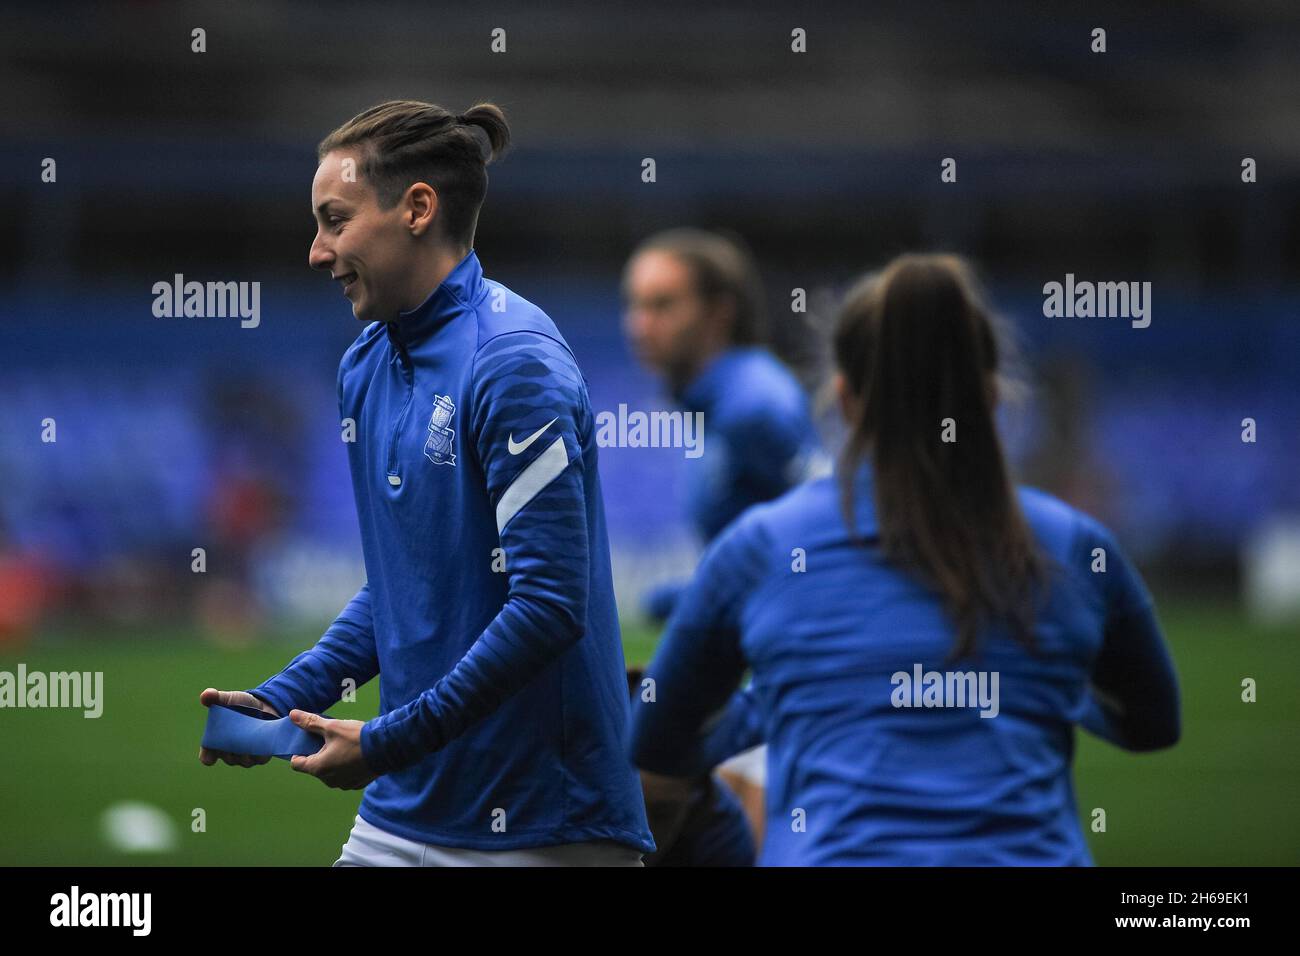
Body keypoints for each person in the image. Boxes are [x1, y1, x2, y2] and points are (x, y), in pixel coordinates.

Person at [199, 99, 654, 866]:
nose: (317, 251)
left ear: (416, 209)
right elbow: (407, 583)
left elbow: (548, 606)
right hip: (404, 812)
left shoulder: (514, 362)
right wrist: (288, 696)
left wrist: (383, 741)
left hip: (544, 825)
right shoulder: (365, 366)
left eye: (334, 220)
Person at [627, 253, 1181, 865]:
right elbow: (1153, 724)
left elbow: (656, 742)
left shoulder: (762, 545)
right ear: (994, 393)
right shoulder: (1077, 545)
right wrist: (1048, 686)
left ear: (842, 397)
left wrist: (771, 704)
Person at [621, 229, 821, 849]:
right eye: (634, 304)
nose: (639, 323)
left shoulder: (754, 407)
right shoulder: (714, 400)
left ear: (719, 312)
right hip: (757, 659)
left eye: (662, 304)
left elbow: (822, 537)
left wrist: (708, 607)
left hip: (788, 672)